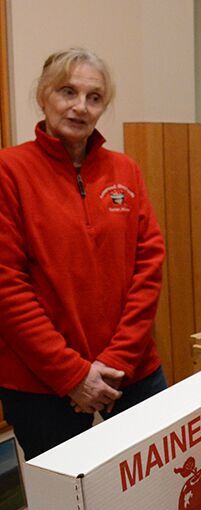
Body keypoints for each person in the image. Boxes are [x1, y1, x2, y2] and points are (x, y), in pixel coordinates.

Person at [0, 48, 167, 460]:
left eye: (94, 97)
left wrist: (117, 360)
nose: (80, 107)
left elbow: (148, 268)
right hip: (41, 383)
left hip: (131, 370)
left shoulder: (125, 171)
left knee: (155, 485)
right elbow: (7, 287)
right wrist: (73, 375)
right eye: (67, 92)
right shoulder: (9, 171)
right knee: (66, 497)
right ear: (42, 95)